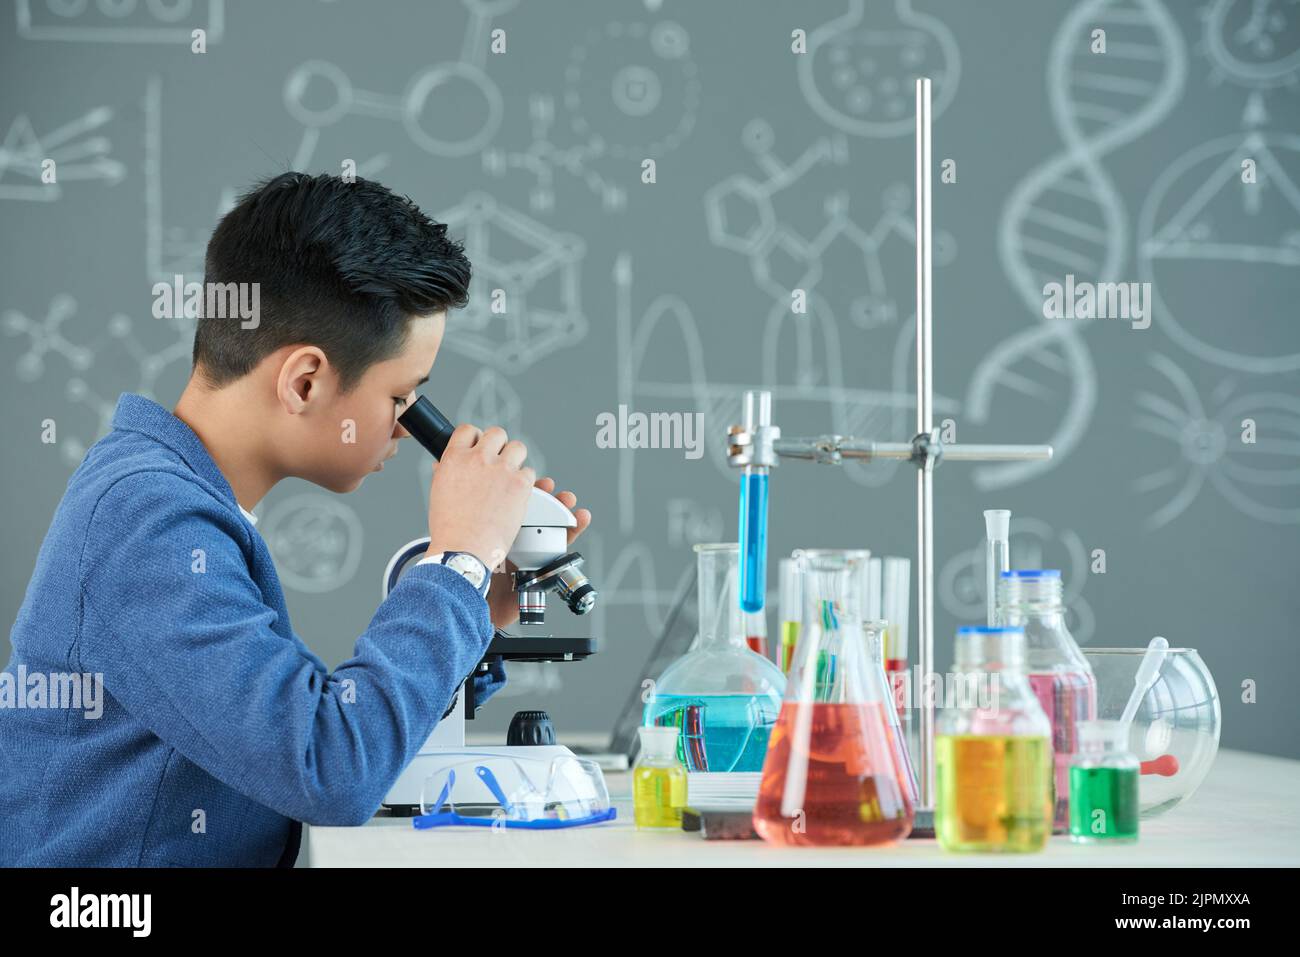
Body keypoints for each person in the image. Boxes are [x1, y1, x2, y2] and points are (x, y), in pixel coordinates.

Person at [0, 172, 591, 867]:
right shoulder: (146, 520)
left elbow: (329, 731)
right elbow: (328, 766)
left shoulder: (173, 498)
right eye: (402, 397)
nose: (406, 431)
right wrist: (457, 558)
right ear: (304, 381)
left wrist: (477, 604)